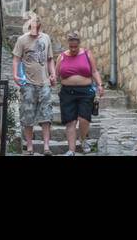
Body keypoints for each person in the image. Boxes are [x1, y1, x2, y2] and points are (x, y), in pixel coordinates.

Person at [12, 13, 56, 156]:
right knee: (27, 114)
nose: (33, 29)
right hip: (28, 83)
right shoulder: (22, 40)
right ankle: (29, 147)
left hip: (44, 83)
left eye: (36, 26)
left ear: (40, 26)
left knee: (46, 115)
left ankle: (46, 147)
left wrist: (53, 74)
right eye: (31, 26)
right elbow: (16, 59)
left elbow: (50, 59)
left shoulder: (46, 38)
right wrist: (15, 75)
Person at [56, 31, 104, 155]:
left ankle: (83, 139)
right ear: (68, 44)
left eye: (75, 47)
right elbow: (56, 75)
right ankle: (71, 150)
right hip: (67, 92)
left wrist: (99, 85)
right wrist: (52, 79)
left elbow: (94, 71)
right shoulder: (61, 57)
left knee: (84, 119)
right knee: (70, 121)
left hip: (85, 91)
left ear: (79, 44)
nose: (73, 49)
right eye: (71, 47)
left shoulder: (87, 54)